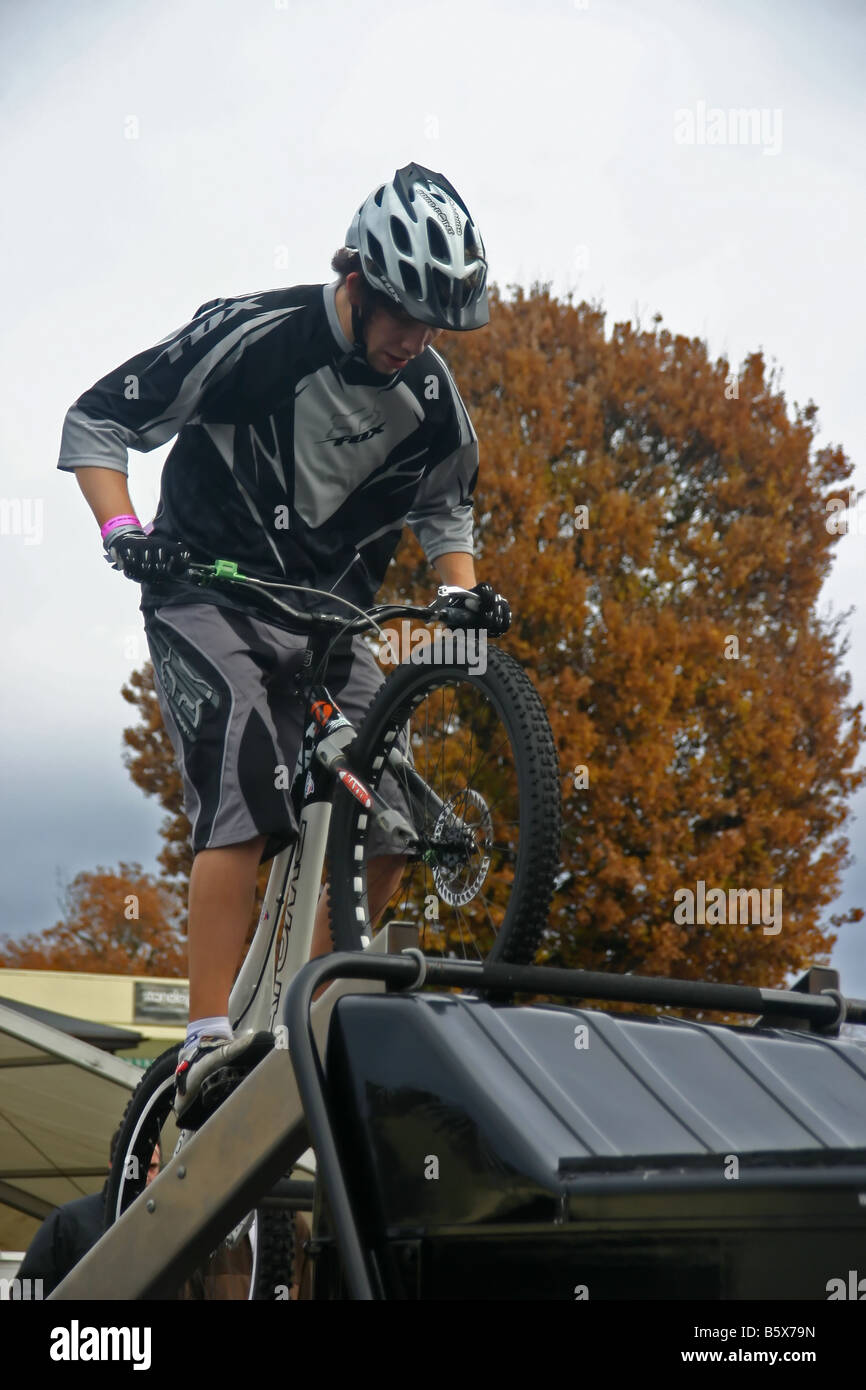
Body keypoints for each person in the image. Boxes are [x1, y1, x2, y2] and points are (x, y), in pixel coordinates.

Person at [57, 163, 509, 1123]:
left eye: (435, 325)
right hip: (205, 594)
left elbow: (448, 508)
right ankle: (206, 1037)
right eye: (404, 315)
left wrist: (460, 594)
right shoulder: (256, 335)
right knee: (244, 782)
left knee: (397, 821)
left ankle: (294, 1010)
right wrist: (122, 529)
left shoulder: (430, 394)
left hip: (331, 625)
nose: (416, 341)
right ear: (359, 279)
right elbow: (98, 419)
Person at [16, 1134, 159, 1296]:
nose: (144, 1175)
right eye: (133, 1166)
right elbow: (25, 1289)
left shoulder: (165, 1225)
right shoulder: (69, 1221)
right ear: (113, 1165)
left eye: (152, 1167)